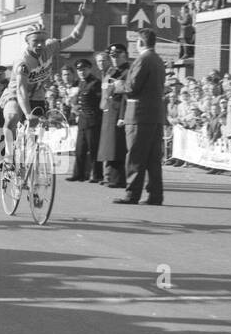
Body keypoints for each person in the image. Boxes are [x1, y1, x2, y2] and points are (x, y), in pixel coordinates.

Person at [0, 0, 90, 169]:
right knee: (12, 117)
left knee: (36, 132)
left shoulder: (50, 47)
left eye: (43, 40)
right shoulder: (23, 62)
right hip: (15, 95)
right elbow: (20, 91)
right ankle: (9, 156)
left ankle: (31, 167)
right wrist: (27, 114)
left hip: (37, 94)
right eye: (36, 42)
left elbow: (75, 37)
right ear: (28, 42)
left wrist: (84, 17)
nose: (40, 44)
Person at [114, 29, 167, 206]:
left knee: (135, 156)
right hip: (155, 114)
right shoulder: (158, 60)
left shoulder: (142, 60)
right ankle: (155, 194)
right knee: (153, 159)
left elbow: (133, 87)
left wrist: (118, 86)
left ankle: (132, 194)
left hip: (139, 114)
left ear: (140, 42)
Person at [98, 41, 130, 188]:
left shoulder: (127, 71)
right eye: (112, 56)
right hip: (109, 110)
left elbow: (125, 95)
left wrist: (123, 116)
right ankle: (109, 176)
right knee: (108, 146)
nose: (114, 58)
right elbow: (106, 89)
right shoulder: (111, 72)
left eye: (117, 55)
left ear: (124, 55)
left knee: (117, 147)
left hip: (118, 110)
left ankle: (118, 179)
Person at [68, 58, 102, 182]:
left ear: (89, 69)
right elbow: (75, 101)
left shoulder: (95, 83)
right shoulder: (78, 83)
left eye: (84, 69)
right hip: (82, 119)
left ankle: (97, 175)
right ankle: (79, 174)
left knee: (93, 149)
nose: (81, 72)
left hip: (93, 119)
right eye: (79, 70)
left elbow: (99, 102)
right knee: (80, 149)